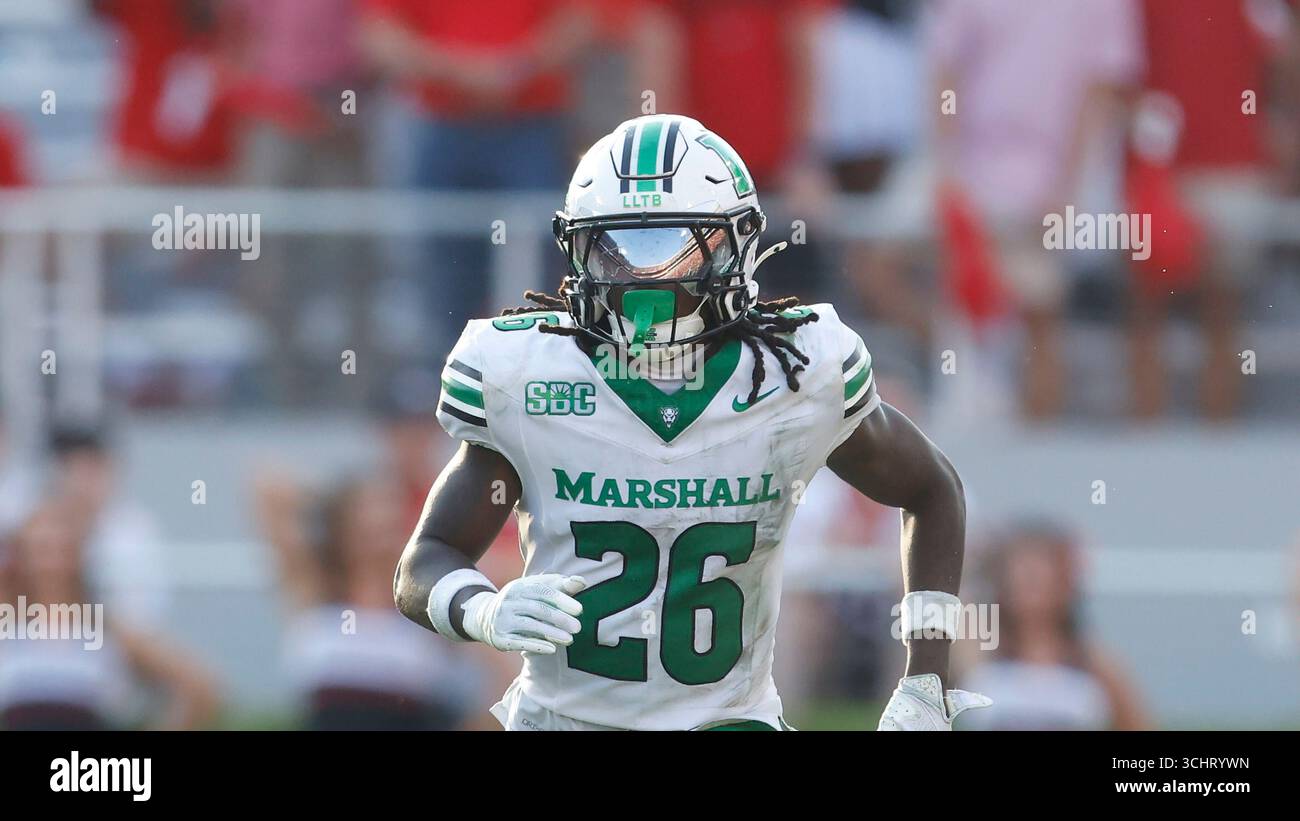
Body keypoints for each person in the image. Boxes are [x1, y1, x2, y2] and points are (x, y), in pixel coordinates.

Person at [394, 114, 988, 731]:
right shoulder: (529, 376)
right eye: (619, 250)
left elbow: (931, 489)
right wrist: (482, 611)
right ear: (576, 250)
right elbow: (425, 559)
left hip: (726, 721)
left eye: (676, 249)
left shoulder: (798, 374)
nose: (647, 279)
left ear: (739, 247)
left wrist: (926, 679)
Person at [255, 472, 488, 730]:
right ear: (343, 526)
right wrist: (332, 502)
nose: (379, 524)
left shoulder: (428, 599)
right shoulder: (316, 589)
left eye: (388, 516)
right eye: (367, 515)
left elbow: (498, 674)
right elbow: (268, 490)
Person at [0, 500, 218, 730]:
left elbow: (200, 688)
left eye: (62, 550)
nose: (51, 564)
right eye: (41, 549)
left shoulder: (106, 628)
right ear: (20, 557)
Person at [958, 523, 1147, 730]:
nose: (1031, 585)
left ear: (1065, 582)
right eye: (1022, 573)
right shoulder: (978, 653)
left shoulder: (1094, 663)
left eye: (1041, 575)